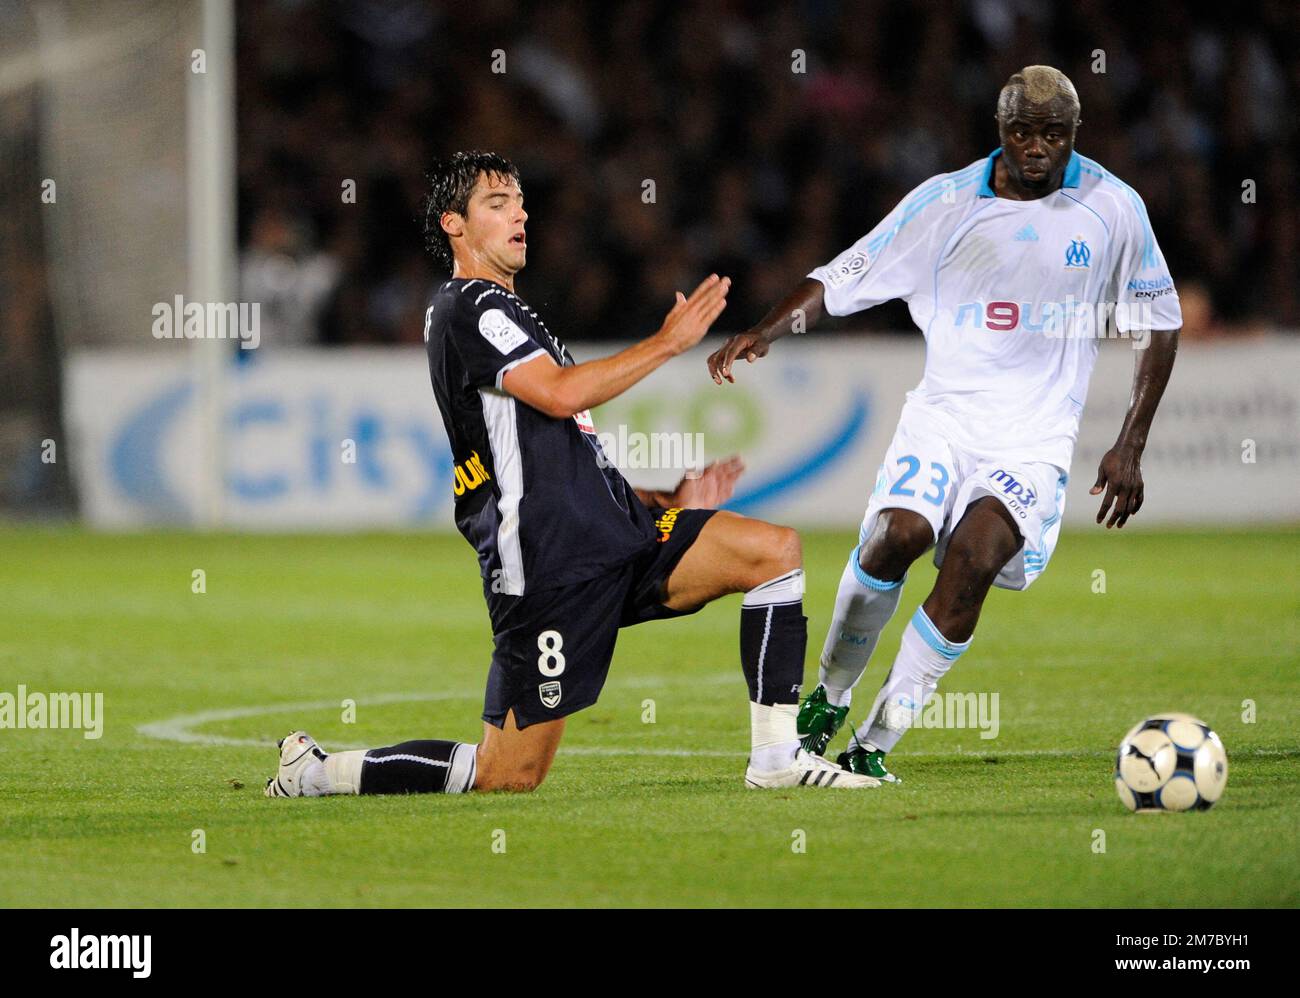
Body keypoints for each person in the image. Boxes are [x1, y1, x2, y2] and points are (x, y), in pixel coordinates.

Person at [265, 150, 881, 799]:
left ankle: (777, 758)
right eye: (497, 203)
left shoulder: (511, 317)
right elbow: (559, 395)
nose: (520, 214)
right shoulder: (468, 305)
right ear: (454, 224)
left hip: (616, 534)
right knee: (507, 774)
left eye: (521, 202)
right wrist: (668, 343)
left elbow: (564, 454)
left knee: (772, 553)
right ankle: (316, 772)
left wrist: (666, 498)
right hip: (550, 562)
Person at [706, 66, 1181, 783]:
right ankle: (827, 700)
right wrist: (768, 329)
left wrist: (1129, 444)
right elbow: (845, 275)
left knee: (974, 559)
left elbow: (1159, 322)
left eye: (1054, 134)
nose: (1037, 147)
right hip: (944, 421)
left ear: (1074, 135)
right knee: (898, 536)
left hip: (1032, 441)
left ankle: (877, 741)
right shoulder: (945, 202)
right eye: (1023, 131)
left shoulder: (1114, 208)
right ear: (1002, 129)